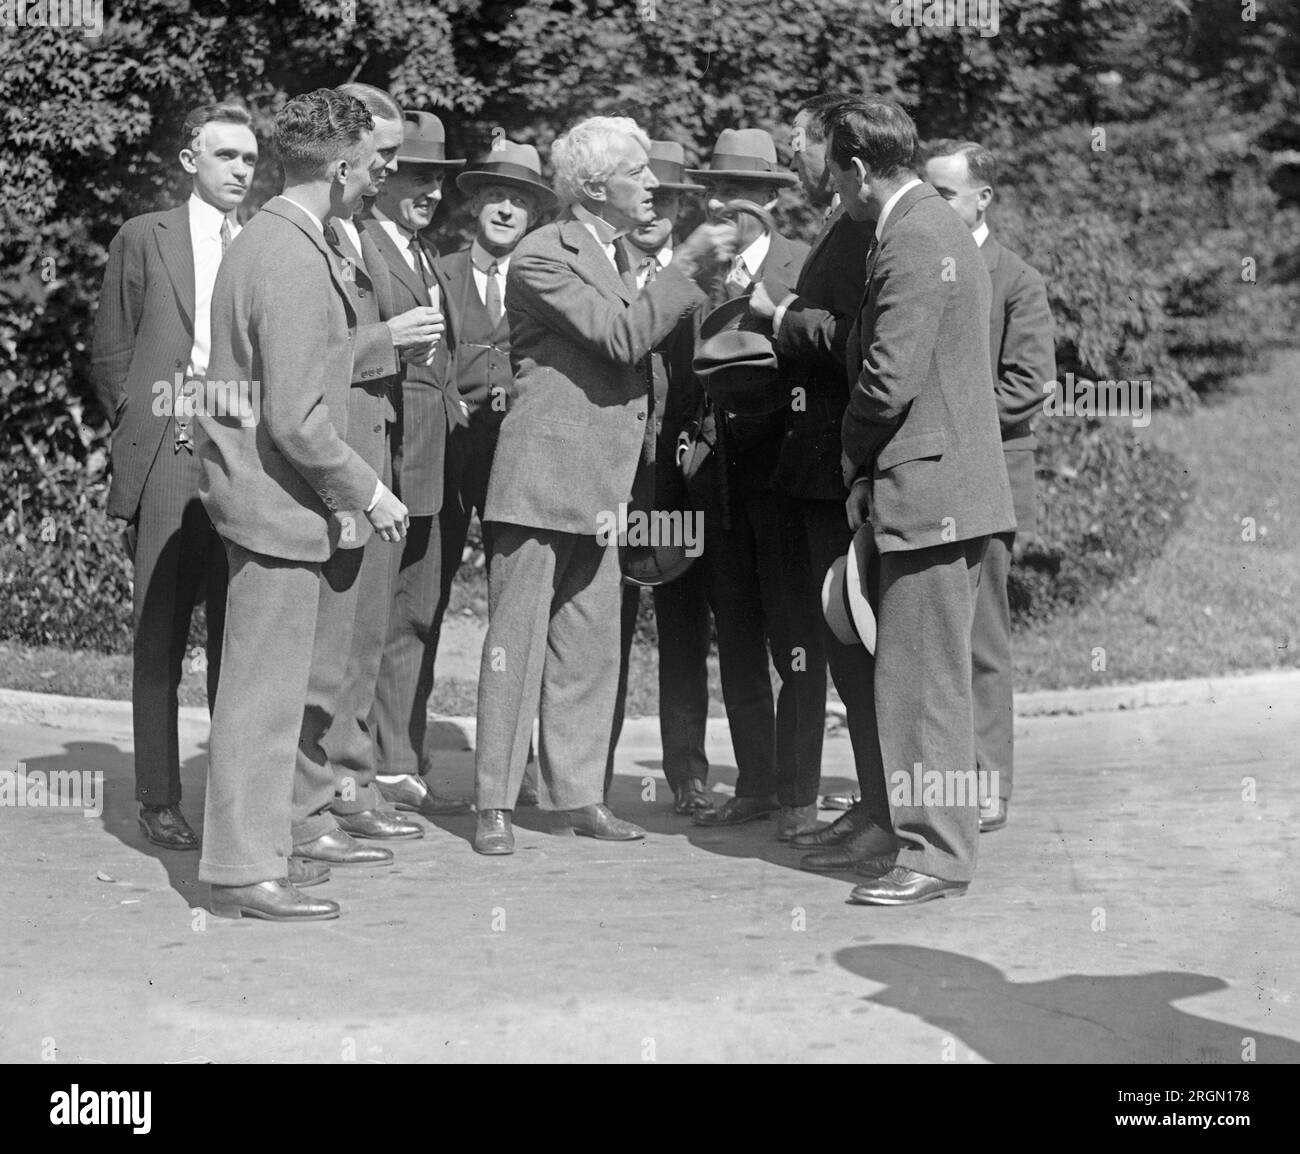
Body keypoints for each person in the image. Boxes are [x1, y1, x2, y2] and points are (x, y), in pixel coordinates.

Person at [471, 115, 735, 855]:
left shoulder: (612, 255)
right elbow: (623, 339)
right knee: (514, 646)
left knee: (590, 647)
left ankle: (579, 796)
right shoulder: (539, 256)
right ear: (594, 186)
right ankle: (494, 799)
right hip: (539, 478)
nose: (653, 185)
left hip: (603, 484)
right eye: (639, 173)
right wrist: (687, 266)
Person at [195, 88, 412, 920]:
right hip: (276, 508)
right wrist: (372, 490)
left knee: (270, 695)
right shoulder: (287, 252)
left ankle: (262, 850)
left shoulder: (280, 238)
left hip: (278, 507)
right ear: (344, 166)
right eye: (369, 163)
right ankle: (245, 871)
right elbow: (295, 415)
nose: (375, 177)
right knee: (258, 700)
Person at [826, 98, 1015, 906]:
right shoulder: (936, 226)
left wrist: (850, 451)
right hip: (950, 486)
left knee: (920, 680)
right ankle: (933, 841)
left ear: (860, 170)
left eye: (836, 175)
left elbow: (888, 378)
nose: (833, 191)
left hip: (929, 489)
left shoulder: (909, 237)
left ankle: (934, 855)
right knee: (929, 674)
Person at [90, 102, 258, 851]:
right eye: (226, 157)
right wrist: (147, 425)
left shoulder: (265, 243)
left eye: (250, 160)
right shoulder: (144, 236)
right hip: (171, 450)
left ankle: (234, 799)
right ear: (191, 161)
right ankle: (158, 797)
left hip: (247, 456)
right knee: (159, 634)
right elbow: (111, 352)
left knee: (241, 632)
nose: (240, 171)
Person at [288, 87, 449, 866]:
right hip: (333, 464)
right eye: (382, 155)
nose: (390, 169)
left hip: (375, 458)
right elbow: (309, 361)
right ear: (344, 151)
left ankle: (349, 784)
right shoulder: (305, 236)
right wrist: (389, 334)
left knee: (362, 637)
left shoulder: (350, 229)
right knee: (332, 647)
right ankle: (316, 800)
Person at [370, 133, 552, 817]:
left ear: (536, 215)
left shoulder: (547, 280)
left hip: (519, 460)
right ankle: (396, 762)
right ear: (474, 203)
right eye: (496, 195)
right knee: (418, 605)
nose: (507, 209)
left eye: (522, 200)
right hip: (441, 455)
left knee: (521, 611)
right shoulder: (432, 270)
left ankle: (517, 766)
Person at [749, 94, 891, 868]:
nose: (790, 160)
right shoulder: (843, 221)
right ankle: (871, 805)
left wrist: (781, 321)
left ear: (834, 146)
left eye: (798, 143)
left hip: (842, 468)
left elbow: (865, 343)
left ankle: (885, 815)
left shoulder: (872, 226)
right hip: (815, 468)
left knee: (859, 646)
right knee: (842, 649)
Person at [683, 128, 824, 842]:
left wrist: (764, 299)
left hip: (788, 478)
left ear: (769, 201)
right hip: (723, 485)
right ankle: (757, 782)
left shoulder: (807, 265)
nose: (716, 208)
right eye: (711, 193)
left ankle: (800, 793)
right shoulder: (701, 276)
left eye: (732, 195)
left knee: (795, 638)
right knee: (735, 635)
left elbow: (822, 357)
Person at [923, 139, 1056, 834]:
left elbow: (1026, 387)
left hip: (990, 480)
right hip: (919, 483)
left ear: (983, 199)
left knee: (981, 640)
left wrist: (938, 420)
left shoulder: (1015, 279)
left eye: (945, 193)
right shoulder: (913, 265)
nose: (932, 204)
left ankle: (988, 781)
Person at [607, 139, 712, 815]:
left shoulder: (705, 277)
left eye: (667, 198)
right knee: (596, 629)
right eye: (645, 193)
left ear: (681, 207)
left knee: (683, 632)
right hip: (609, 483)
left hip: (680, 482)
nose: (654, 210)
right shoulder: (597, 267)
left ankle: (690, 775)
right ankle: (583, 774)